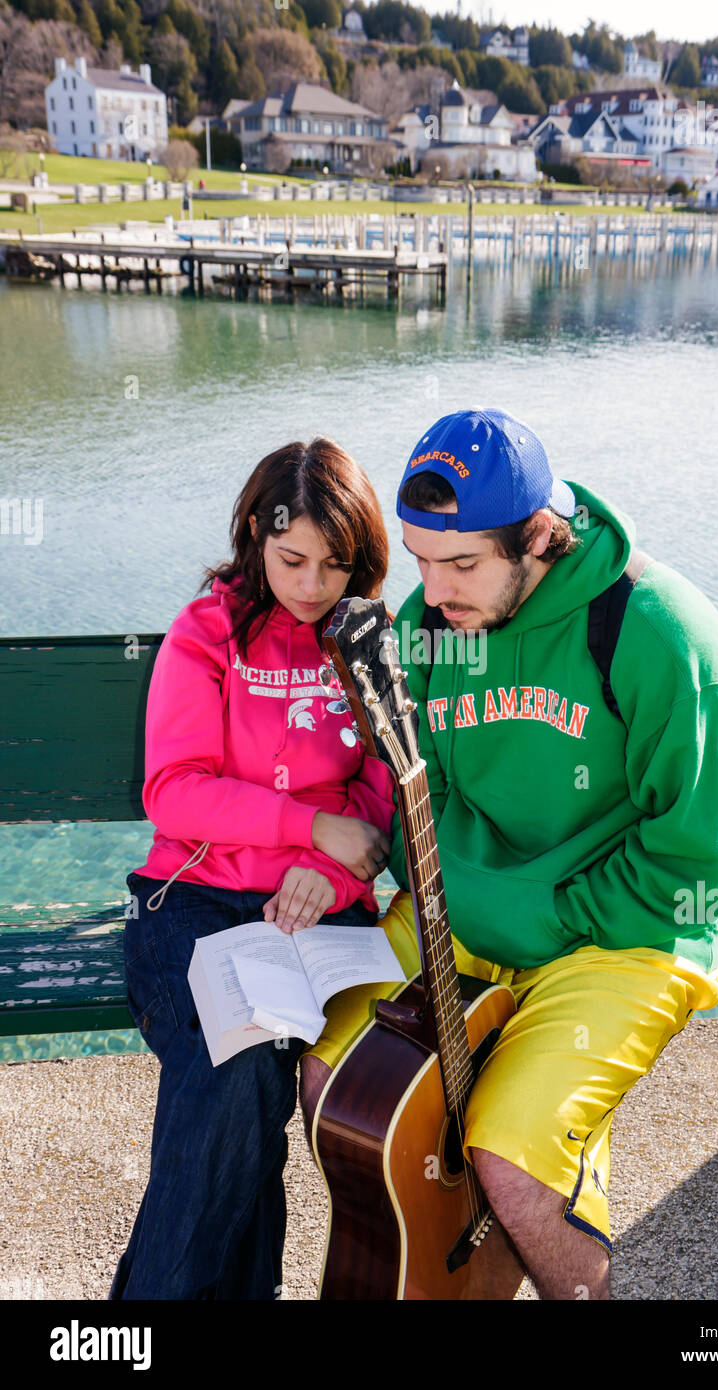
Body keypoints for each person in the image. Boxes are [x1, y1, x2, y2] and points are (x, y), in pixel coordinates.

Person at [300, 407, 718, 1300]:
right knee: (336, 1076)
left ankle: (553, 1216)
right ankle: (437, 1267)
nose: (431, 592)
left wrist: (543, 915)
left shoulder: (666, 638)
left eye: (463, 563)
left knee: (511, 1157)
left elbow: (697, 873)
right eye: (421, 558)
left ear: (542, 537)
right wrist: (449, 887)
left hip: (616, 933)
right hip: (462, 905)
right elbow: (419, 792)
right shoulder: (434, 623)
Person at [110, 438, 393, 1300]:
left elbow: (388, 798)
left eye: (335, 566)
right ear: (253, 536)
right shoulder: (207, 634)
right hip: (192, 900)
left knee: (247, 1066)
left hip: (320, 916)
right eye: (291, 559)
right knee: (240, 1067)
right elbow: (175, 793)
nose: (311, 586)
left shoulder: (371, 644)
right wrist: (309, 825)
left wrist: (334, 873)